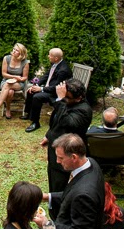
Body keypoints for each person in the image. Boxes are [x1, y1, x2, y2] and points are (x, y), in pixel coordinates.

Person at [41, 77, 92, 217]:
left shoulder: (84, 110)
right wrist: (48, 135)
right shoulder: (67, 104)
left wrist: (61, 100)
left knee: (61, 187)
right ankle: (54, 211)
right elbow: (56, 121)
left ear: (79, 98)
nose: (65, 100)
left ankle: (59, 217)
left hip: (68, 157)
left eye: (68, 98)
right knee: (53, 179)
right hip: (56, 151)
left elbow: (67, 123)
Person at [44, 133, 105, 229]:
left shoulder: (84, 196)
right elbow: (72, 195)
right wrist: (48, 197)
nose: (57, 161)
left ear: (74, 157)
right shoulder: (91, 163)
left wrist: (46, 224)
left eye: (61, 158)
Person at [22, 47, 72, 132]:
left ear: (56, 58)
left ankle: (35, 122)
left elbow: (57, 87)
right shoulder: (56, 63)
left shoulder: (63, 70)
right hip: (50, 88)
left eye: (50, 55)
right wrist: (36, 85)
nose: (48, 56)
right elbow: (46, 76)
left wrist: (41, 89)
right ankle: (29, 114)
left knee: (37, 97)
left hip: (56, 93)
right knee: (31, 91)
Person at [0, 43, 29, 119]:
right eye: (14, 49)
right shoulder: (6, 58)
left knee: (8, 84)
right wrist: (14, 76)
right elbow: (4, 74)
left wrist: (19, 79)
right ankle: (8, 109)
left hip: (18, 84)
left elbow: (25, 77)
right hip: (6, 81)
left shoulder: (25, 62)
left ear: (21, 53)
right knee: (10, 91)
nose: (14, 51)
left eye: (17, 50)